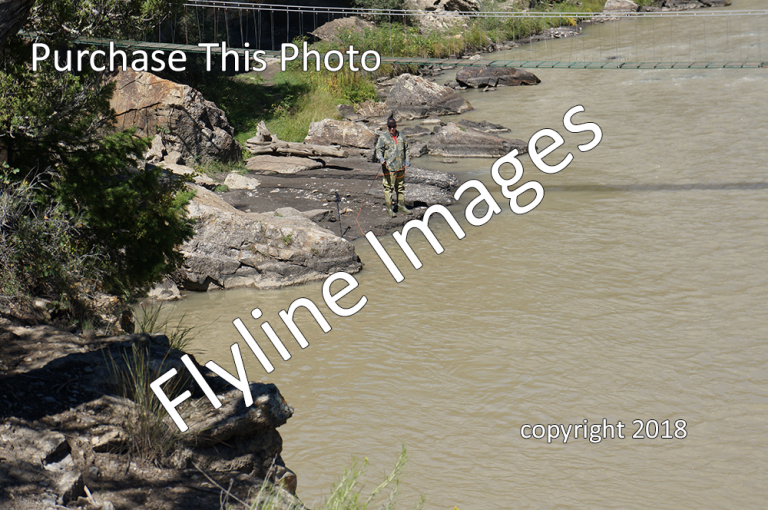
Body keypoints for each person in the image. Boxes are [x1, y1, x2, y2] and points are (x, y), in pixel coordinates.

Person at [375, 117, 412, 218]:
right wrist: (381, 158)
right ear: (387, 127)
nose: (392, 129)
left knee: (400, 187)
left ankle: (401, 206)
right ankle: (389, 208)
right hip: (389, 167)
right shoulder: (383, 137)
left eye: (394, 126)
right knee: (388, 188)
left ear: (396, 126)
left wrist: (408, 159)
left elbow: (407, 149)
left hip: (400, 167)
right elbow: (378, 149)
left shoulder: (401, 136)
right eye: (390, 127)